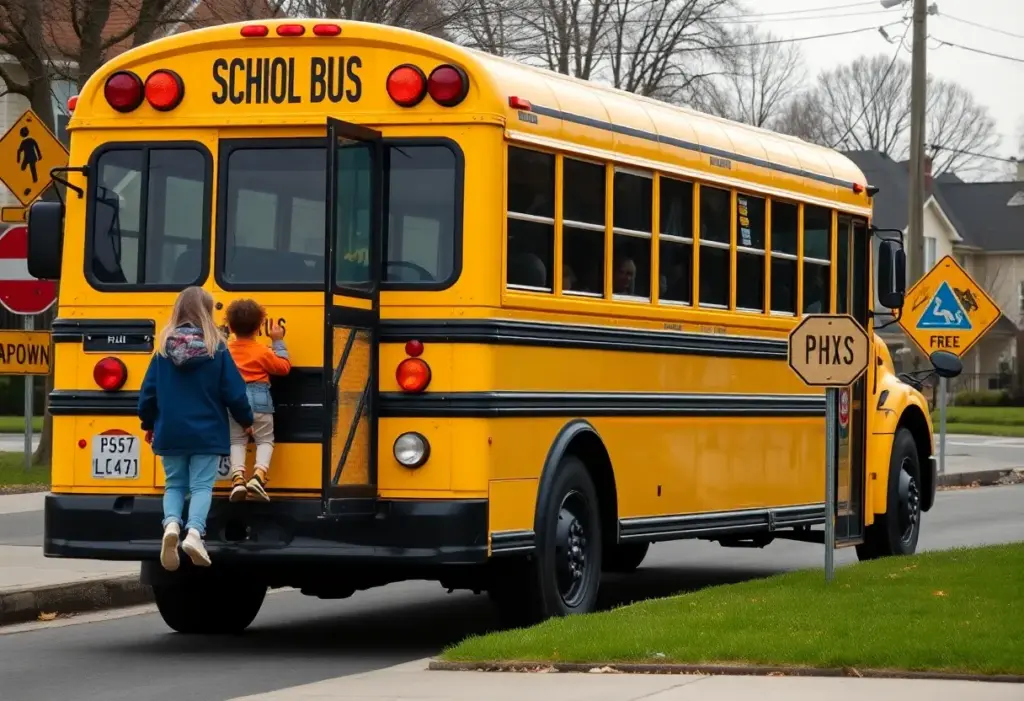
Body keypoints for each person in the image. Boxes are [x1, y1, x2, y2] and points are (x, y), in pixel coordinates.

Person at [138, 286, 254, 571]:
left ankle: (171, 526)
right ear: (206, 311)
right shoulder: (217, 348)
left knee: (174, 484)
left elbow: (148, 394)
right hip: (207, 432)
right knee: (201, 485)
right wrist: (246, 420)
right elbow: (235, 393)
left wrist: (149, 422)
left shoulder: (162, 350)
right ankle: (194, 533)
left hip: (171, 430)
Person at [224, 299, 292, 502]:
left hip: (234, 401)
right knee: (265, 440)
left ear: (229, 326)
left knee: (236, 441)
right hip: (260, 400)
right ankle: (259, 475)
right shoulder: (262, 351)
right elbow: (283, 367)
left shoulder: (226, 352)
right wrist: (278, 342)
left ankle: (237, 479)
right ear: (259, 327)